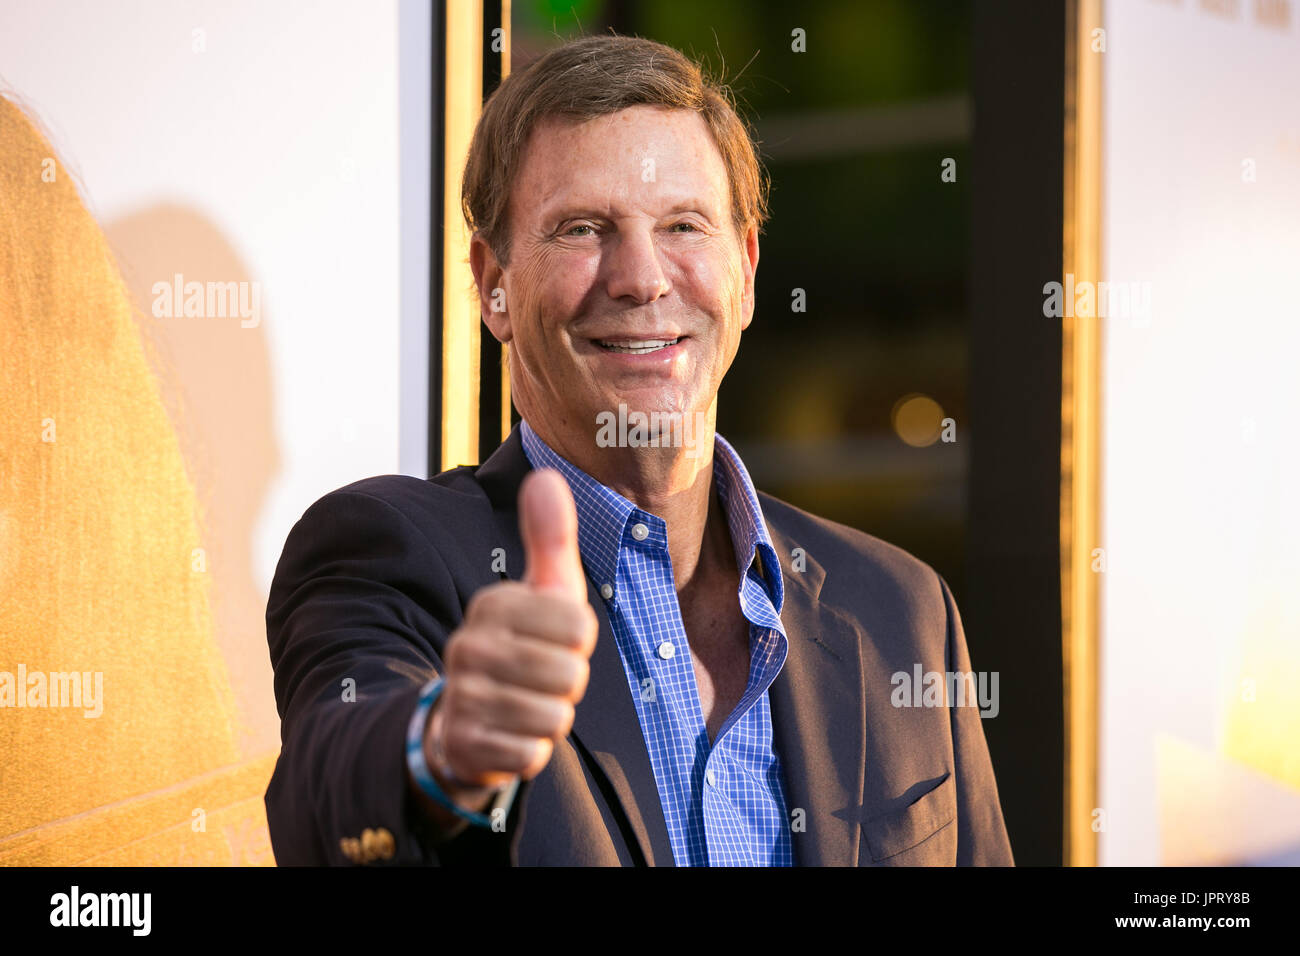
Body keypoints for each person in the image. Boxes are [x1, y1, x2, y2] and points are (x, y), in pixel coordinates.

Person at [264, 34, 1013, 866]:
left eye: (684, 225)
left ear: (748, 270)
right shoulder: (388, 552)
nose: (642, 277)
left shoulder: (903, 610)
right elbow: (325, 805)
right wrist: (440, 753)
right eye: (582, 228)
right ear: (491, 285)